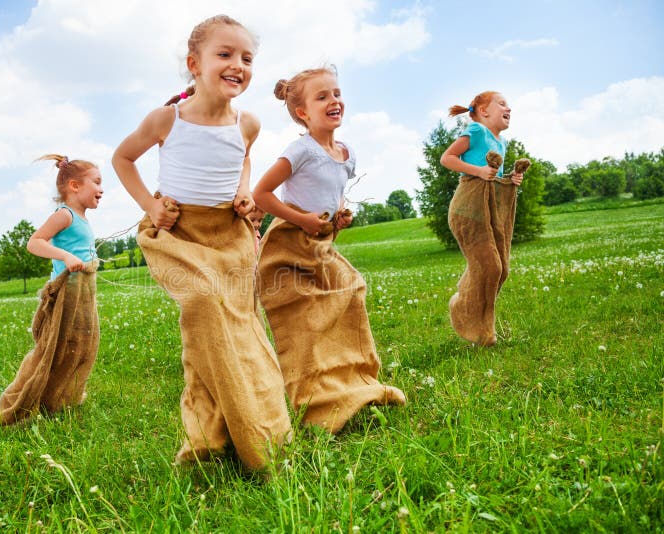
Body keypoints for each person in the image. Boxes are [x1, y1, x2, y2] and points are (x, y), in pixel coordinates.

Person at [112, 15, 292, 471]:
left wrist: (243, 191)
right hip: (177, 233)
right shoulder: (167, 119)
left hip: (229, 237)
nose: (238, 65)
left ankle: (241, 431)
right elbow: (122, 158)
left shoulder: (247, 124)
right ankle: (220, 436)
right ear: (195, 63)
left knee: (234, 331)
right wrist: (151, 208)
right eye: (225, 54)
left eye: (247, 58)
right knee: (204, 304)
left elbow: (244, 161)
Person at [252, 66, 406, 434]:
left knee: (350, 292)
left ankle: (358, 385)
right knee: (307, 318)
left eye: (336, 93)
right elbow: (262, 194)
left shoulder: (345, 153)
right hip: (289, 244)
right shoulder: (300, 150)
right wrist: (303, 219)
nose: (334, 101)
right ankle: (316, 403)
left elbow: (328, 193)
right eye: (322, 97)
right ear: (302, 113)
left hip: (321, 242)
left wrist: (337, 219)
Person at [0, 154, 103, 426]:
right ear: (75, 186)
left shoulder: (82, 218)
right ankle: (15, 409)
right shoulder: (64, 215)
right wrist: (65, 256)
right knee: (52, 349)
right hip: (65, 292)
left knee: (80, 346)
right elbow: (34, 243)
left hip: (83, 294)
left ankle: (60, 399)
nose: (102, 189)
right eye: (97, 182)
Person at [440, 91, 526, 346]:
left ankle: (464, 303)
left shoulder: (501, 141)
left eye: (509, 104)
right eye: (502, 104)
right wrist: (478, 170)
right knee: (490, 267)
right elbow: (447, 158)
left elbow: (493, 177)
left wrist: (511, 179)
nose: (508, 108)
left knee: (501, 270)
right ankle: (482, 331)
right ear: (484, 111)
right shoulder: (476, 131)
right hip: (468, 209)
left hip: (488, 208)